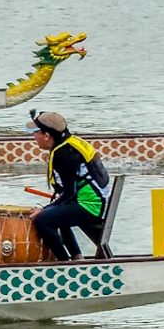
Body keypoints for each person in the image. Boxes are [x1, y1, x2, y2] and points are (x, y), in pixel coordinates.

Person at [28, 111, 111, 262]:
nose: (33, 137)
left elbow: (69, 193)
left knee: (42, 220)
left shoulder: (63, 154)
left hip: (91, 206)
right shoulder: (70, 142)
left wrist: (44, 209)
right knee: (56, 213)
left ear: (47, 135)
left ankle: (64, 264)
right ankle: (77, 258)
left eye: (35, 132)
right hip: (98, 202)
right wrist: (52, 207)